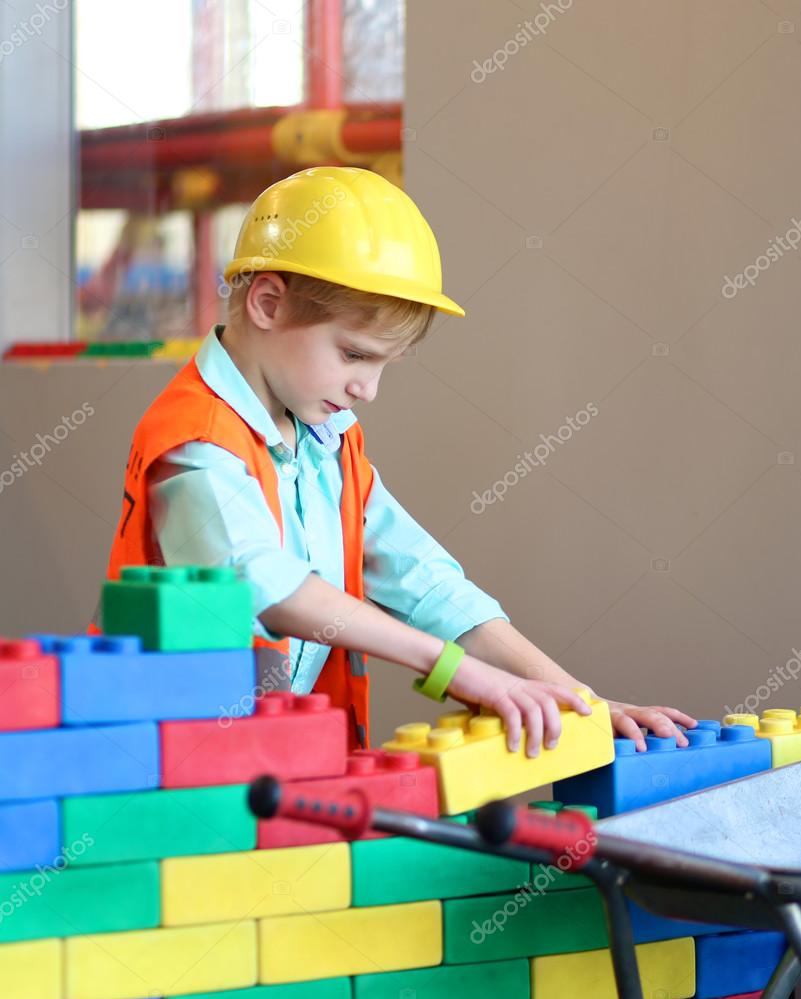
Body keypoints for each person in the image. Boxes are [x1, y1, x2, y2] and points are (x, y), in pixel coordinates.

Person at [104, 166, 696, 755]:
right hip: (162, 770)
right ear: (267, 304)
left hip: (258, 765)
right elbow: (265, 586)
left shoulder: (325, 441)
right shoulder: (195, 442)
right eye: (354, 354)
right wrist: (453, 670)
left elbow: (424, 581)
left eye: (385, 364)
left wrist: (577, 699)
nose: (368, 389)